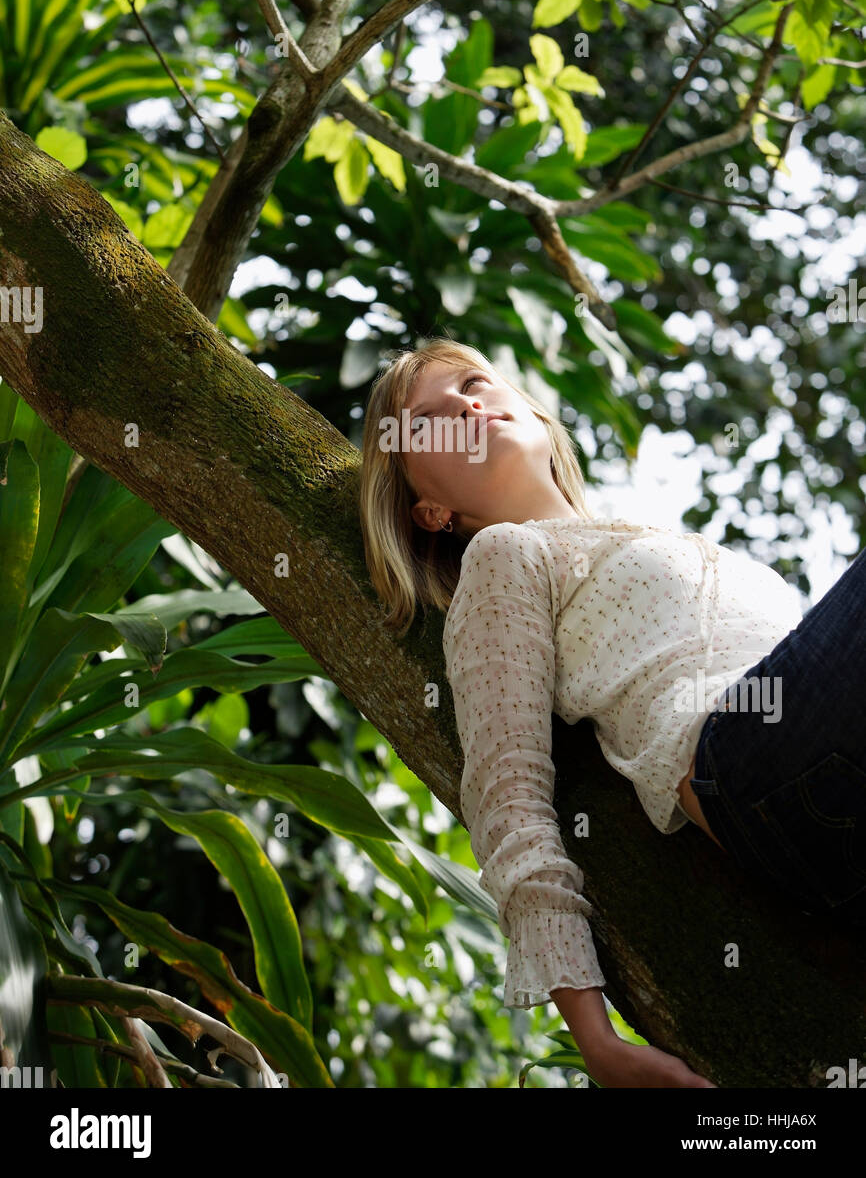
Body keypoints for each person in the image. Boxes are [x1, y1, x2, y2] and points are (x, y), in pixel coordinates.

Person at [358, 337, 866, 1088]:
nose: (466, 406)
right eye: (428, 421)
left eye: (474, 383)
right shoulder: (507, 556)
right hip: (756, 768)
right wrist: (597, 1041)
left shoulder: (662, 534)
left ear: (531, 410)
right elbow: (507, 798)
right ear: (430, 510)